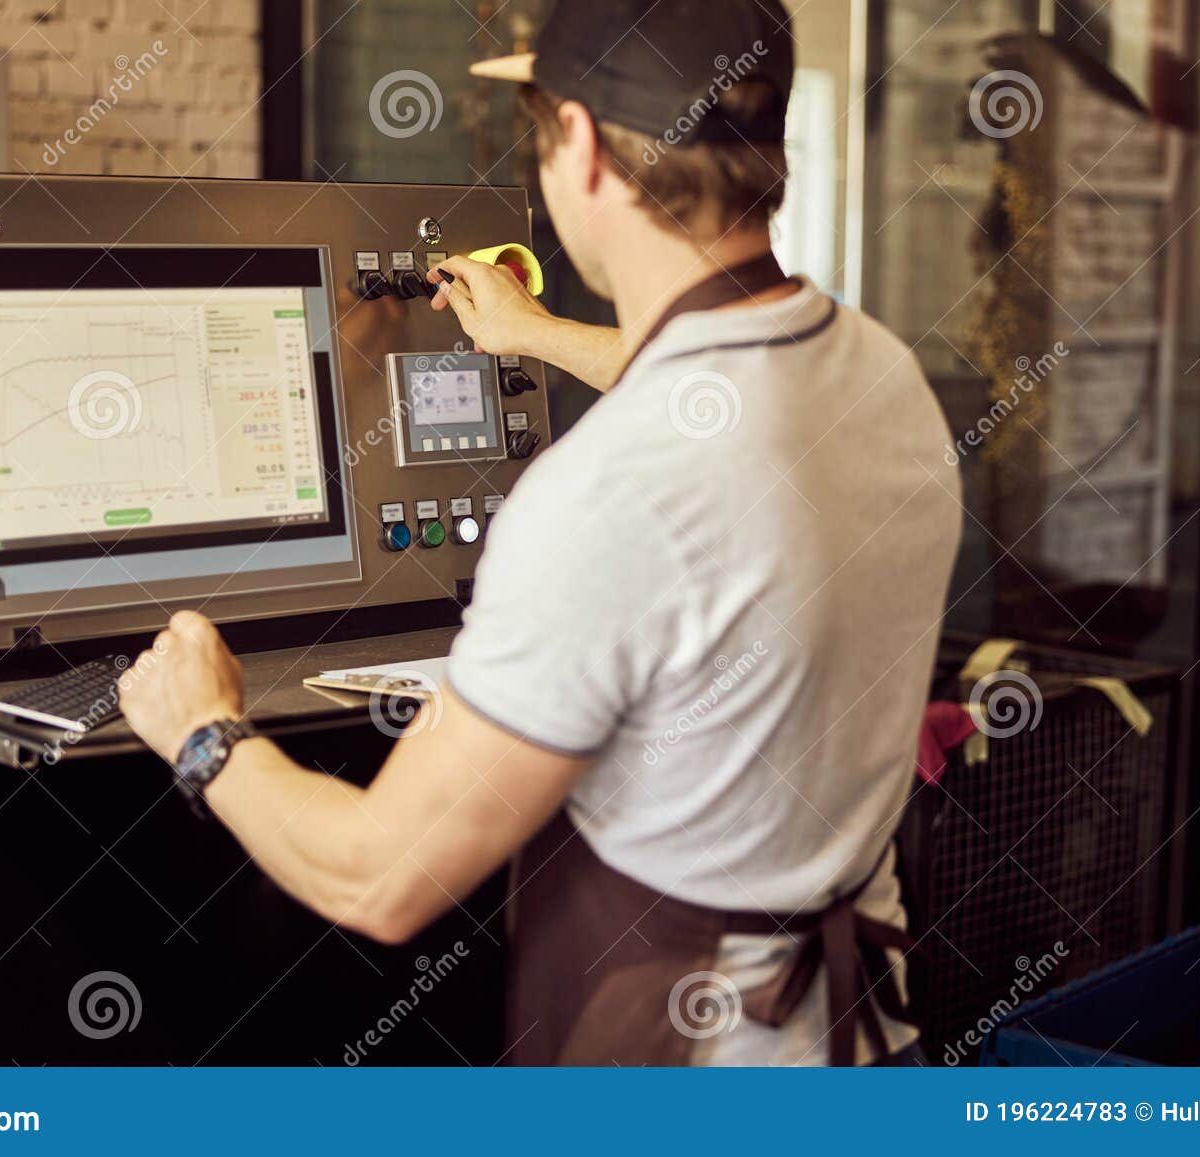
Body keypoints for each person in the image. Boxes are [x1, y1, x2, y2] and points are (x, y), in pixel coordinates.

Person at [118, 0, 961, 1066]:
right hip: (861, 1040)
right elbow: (720, 396)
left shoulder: (603, 493)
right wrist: (534, 334)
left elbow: (378, 877)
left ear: (590, 155)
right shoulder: (880, 374)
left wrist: (204, 734)